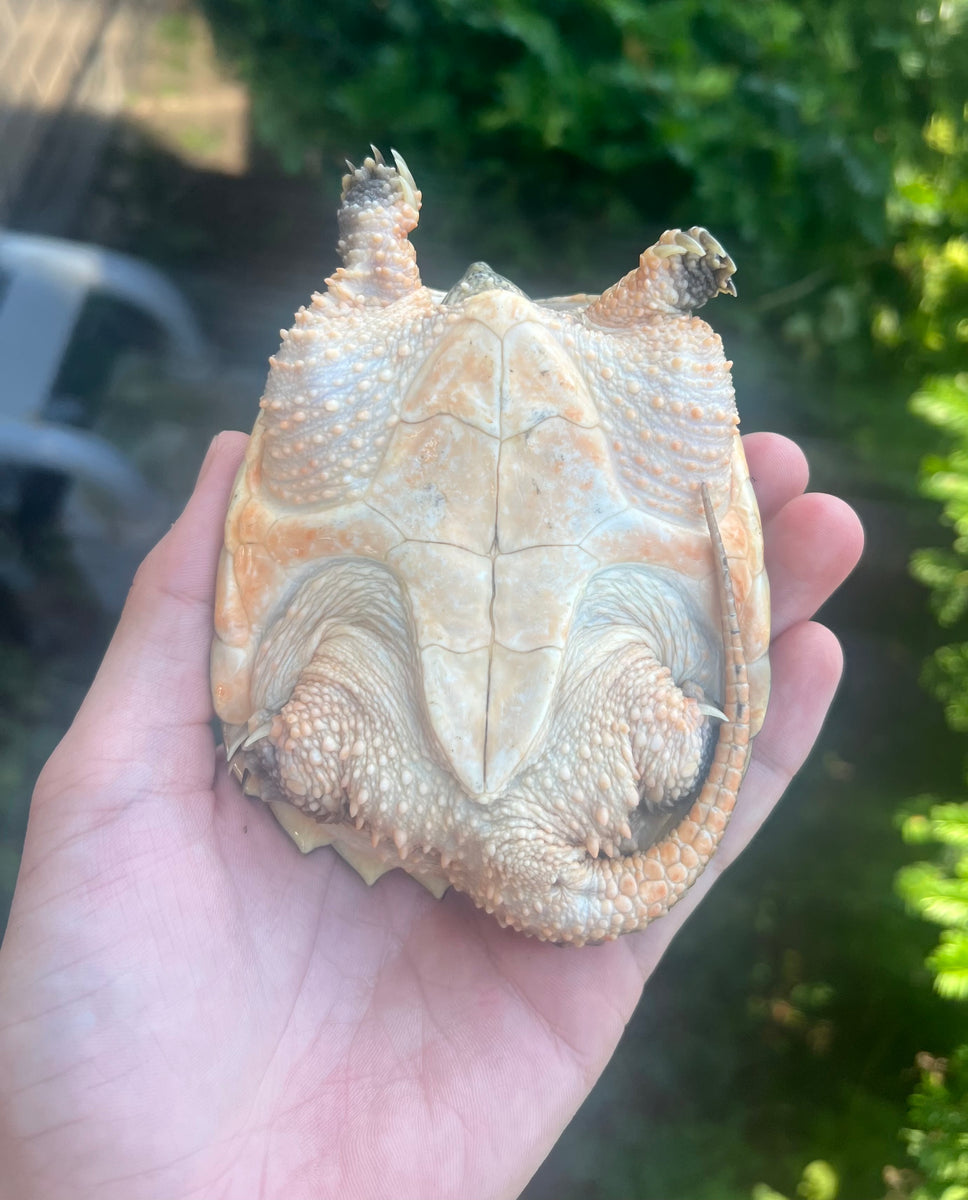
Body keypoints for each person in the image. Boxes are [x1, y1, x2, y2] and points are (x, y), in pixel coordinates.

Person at [0, 430, 863, 1200]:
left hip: (388, 696)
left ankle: (324, 750)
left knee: (309, 737)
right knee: (669, 736)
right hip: (536, 708)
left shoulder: (357, 370)